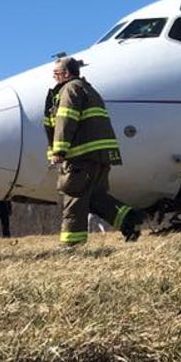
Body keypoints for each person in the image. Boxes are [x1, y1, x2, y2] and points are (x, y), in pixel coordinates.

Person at [44, 56, 143, 245]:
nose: (54, 77)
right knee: (95, 198)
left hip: (82, 157)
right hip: (100, 157)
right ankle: (130, 220)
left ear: (66, 73)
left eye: (56, 74)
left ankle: (72, 246)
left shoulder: (69, 89)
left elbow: (66, 119)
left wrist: (59, 150)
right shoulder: (89, 90)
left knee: (74, 198)